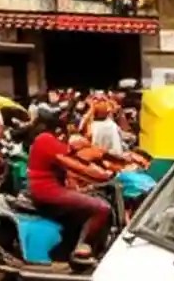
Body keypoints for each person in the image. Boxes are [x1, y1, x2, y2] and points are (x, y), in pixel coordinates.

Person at [27, 108, 112, 261]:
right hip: (47, 191)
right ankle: (82, 249)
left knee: (85, 203)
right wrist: (101, 176)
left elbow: (78, 163)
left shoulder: (48, 140)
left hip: (51, 190)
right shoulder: (46, 139)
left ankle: (67, 249)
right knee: (102, 208)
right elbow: (73, 164)